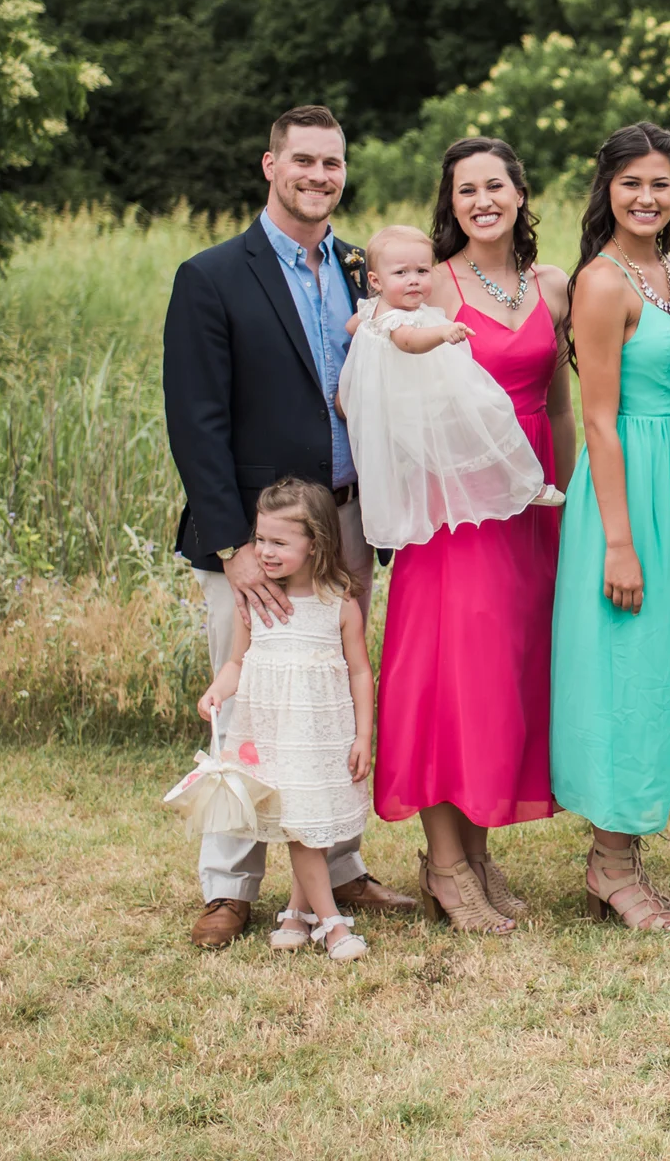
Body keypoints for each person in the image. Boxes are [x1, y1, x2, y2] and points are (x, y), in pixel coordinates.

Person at [161, 104, 413, 949]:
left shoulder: (355, 266)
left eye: (332, 163)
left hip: (346, 520)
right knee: (252, 708)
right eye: (302, 160)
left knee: (334, 698)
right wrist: (234, 546)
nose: (319, 176)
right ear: (270, 166)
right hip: (260, 539)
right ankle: (230, 887)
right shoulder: (212, 276)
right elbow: (195, 420)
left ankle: (337, 868)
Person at [373, 137, 573, 934]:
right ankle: (446, 868)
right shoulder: (432, 288)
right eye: (465, 190)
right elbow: (389, 393)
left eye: (496, 184)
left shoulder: (550, 285)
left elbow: (558, 403)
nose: (482, 200)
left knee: (504, 677)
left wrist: (564, 495)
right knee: (450, 678)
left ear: (522, 193)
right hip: (455, 512)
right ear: (449, 203)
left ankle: (478, 853)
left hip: (533, 498)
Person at [550, 123, 670, 933]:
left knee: (668, 662)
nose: (648, 198)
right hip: (629, 492)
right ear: (607, 192)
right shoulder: (601, 283)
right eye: (632, 185)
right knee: (628, 663)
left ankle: (624, 855)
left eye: (660, 184)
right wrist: (619, 540)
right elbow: (599, 420)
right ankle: (609, 864)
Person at [196, 479, 376, 961]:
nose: (265, 553)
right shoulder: (253, 603)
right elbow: (237, 661)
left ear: (314, 543)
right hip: (274, 738)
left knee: (310, 823)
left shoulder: (339, 604)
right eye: (260, 539)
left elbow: (360, 671)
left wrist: (363, 735)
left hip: (319, 736)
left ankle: (298, 912)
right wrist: (218, 689)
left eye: (280, 542)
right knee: (300, 826)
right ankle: (333, 924)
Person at [335, 224, 561, 552]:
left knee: (480, 416)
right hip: (418, 399)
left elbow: (351, 325)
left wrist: (364, 332)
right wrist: (442, 332)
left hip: (419, 396)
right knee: (489, 409)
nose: (414, 279)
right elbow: (410, 342)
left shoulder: (375, 309)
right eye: (401, 272)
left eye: (422, 270)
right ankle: (523, 483)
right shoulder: (393, 319)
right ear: (375, 281)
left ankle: (518, 483)